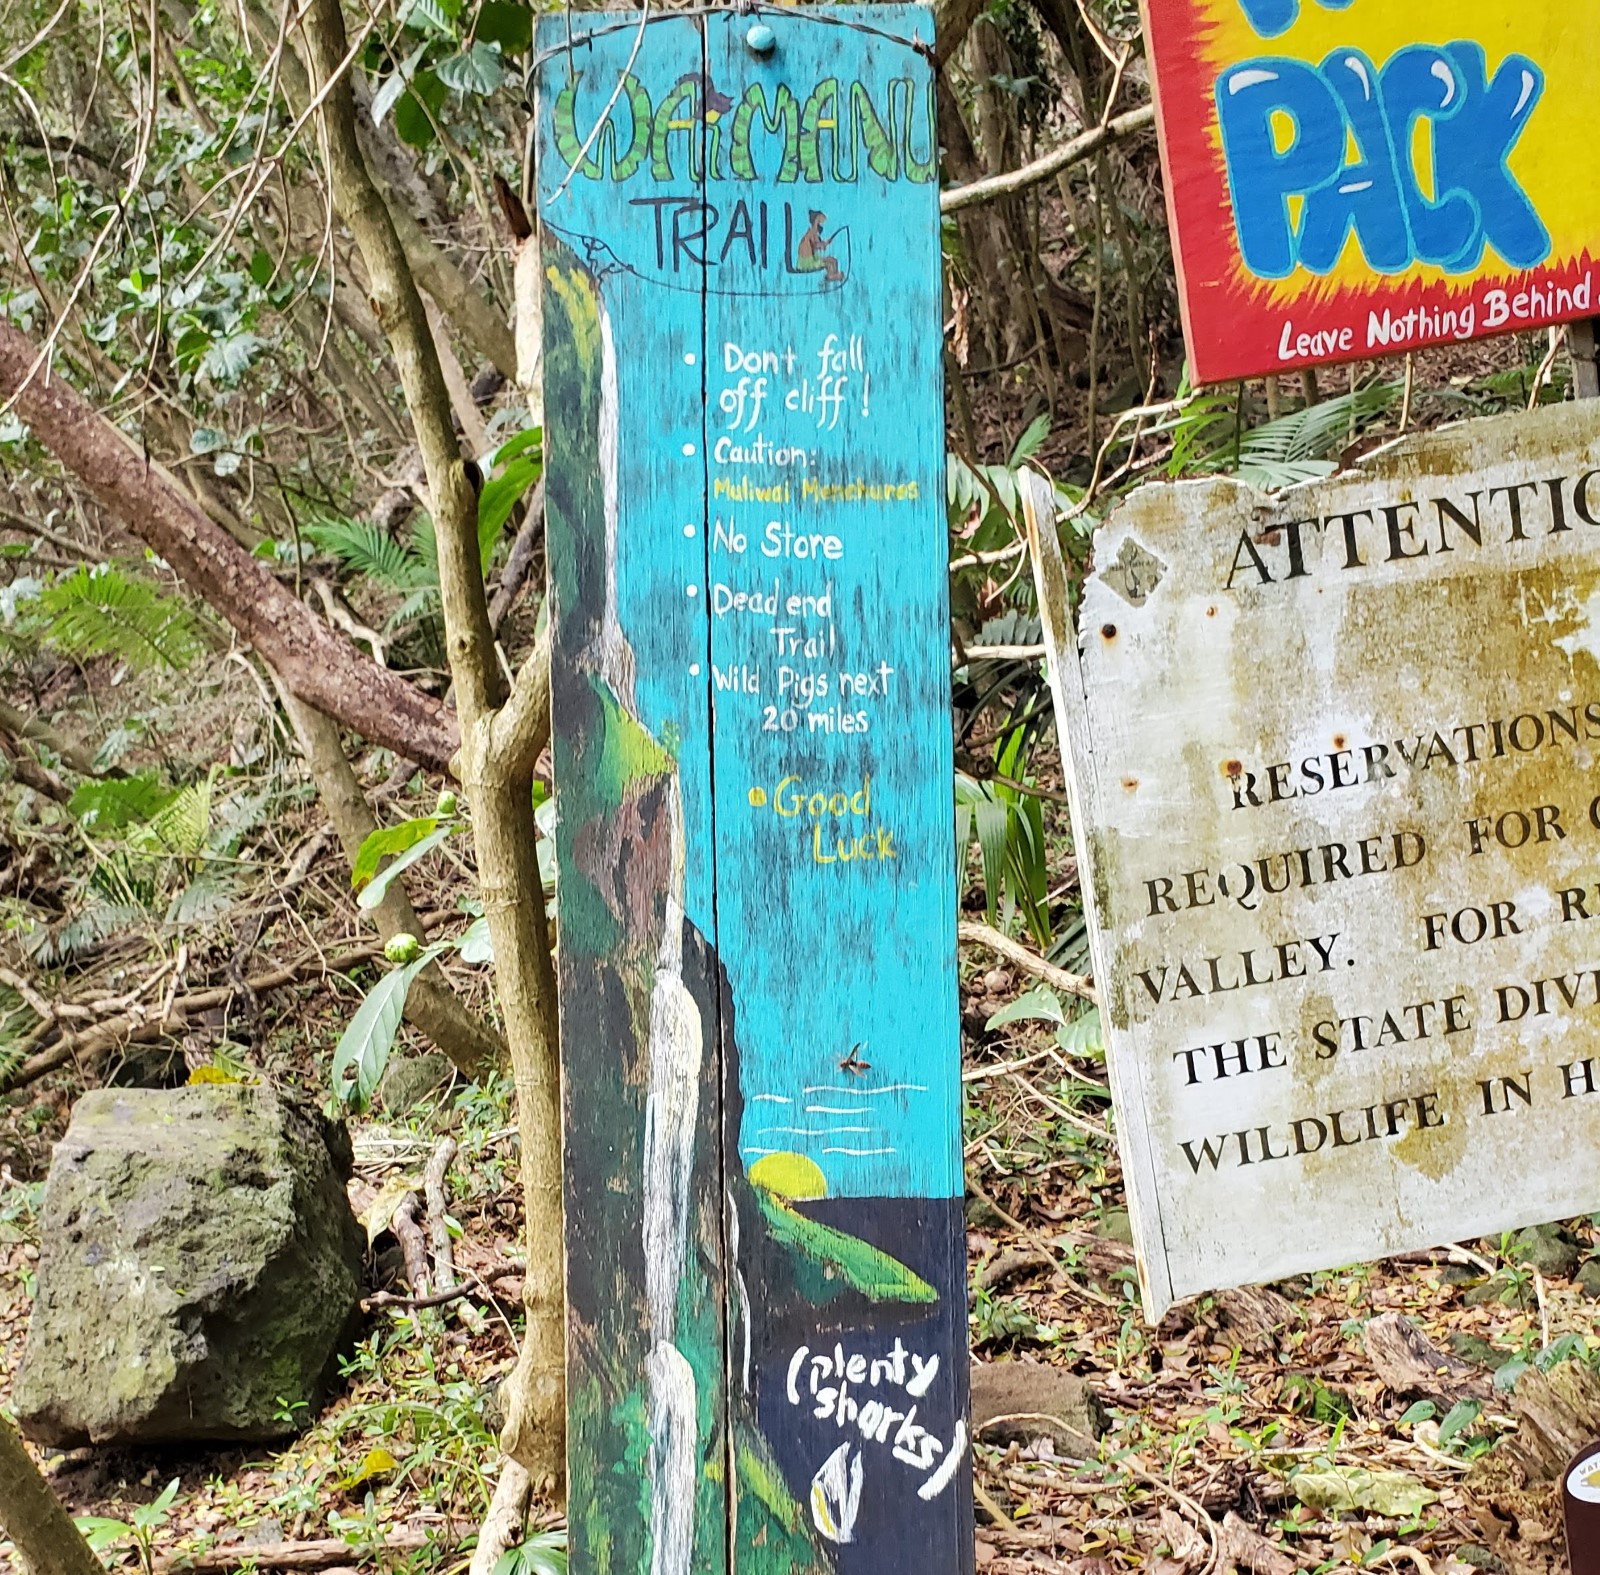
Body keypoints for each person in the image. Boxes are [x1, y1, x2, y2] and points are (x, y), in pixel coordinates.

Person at [796, 210, 845, 283]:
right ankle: (831, 276)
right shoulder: (810, 234)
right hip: (806, 262)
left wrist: (826, 243)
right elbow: (816, 243)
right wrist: (817, 219)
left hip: (813, 259)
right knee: (829, 264)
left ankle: (833, 274)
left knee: (833, 260)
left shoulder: (813, 235)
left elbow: (817, 246)